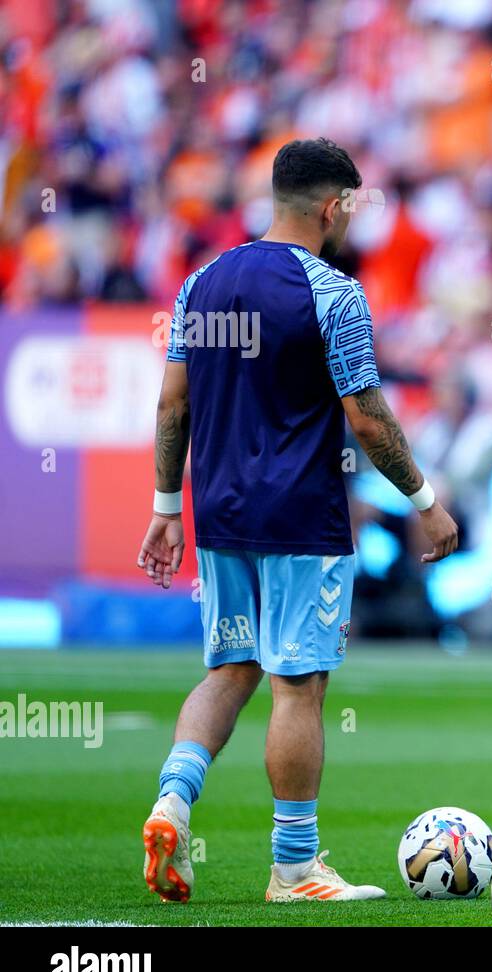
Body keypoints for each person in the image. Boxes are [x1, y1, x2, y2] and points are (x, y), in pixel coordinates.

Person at [136, 138, 459, 904]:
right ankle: (295, 868)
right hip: (300, 519)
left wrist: (165, 508)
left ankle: (172, 802)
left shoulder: (201, 283)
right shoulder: (335, 293)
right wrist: (424, 502)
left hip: (219, 514)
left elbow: (172, 404)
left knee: (229, 672)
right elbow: (368, 418)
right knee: (296, 688)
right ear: (332, 205)